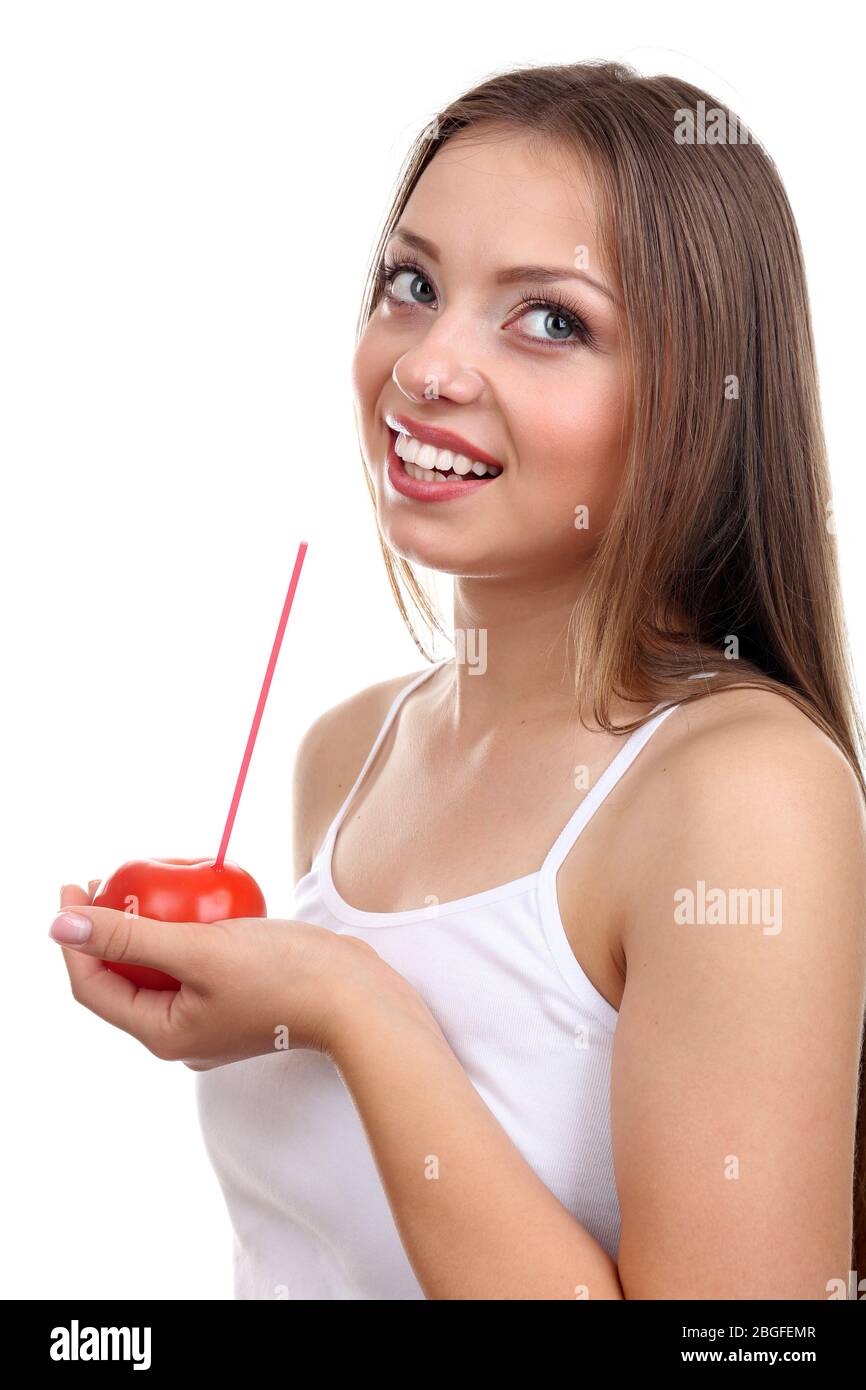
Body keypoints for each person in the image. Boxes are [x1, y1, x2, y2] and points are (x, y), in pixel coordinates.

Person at [53, 61, 866, 1301]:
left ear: (698, 403)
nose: (425, 366)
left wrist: (349, 1008)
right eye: (411, 283)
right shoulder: (349, 750)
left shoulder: (742, 792)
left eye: (549, 320)